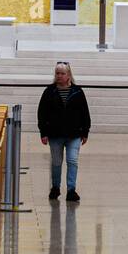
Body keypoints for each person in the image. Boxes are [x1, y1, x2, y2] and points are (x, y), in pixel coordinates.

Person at [37, 61, 91, 202]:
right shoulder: (49, 91)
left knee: (72, 160)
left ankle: (71, 190)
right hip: (55, 134)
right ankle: (55, 187)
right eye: (57, 73)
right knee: (56, 162)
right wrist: (43, 132)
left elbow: (85, 112)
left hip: (74, 134)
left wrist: (85, 132)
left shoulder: (77, 91)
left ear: (68, 75)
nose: (59, 76)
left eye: (62, 73)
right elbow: (42, 113)